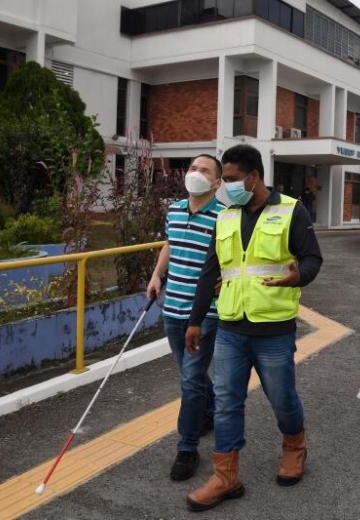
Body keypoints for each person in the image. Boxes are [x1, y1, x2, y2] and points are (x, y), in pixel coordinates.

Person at [184, 144, 323, 512]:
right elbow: (211, 270)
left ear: (254, 177)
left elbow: (311, 258)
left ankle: (295, 446)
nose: (225, 186)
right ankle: (226, 476)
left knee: (281, 398)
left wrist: (298, 278)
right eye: (223, 179)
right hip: (231, 325)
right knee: (228, 402)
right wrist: (196, 320)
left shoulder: (291, 210)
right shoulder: (226, 216)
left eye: (230, 179)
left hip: (274, 328)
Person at [146, 154, 226, 481]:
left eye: (205, 170)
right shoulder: (175, 210)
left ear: (217, 182)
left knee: (190, 379)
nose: (196, 173)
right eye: (193, 168)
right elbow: (171, 244)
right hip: (172, 308)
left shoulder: (225, 217)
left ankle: (187, 447)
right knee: (189, 374)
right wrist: (156, 276)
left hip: (205, 313)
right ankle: (208, 412)